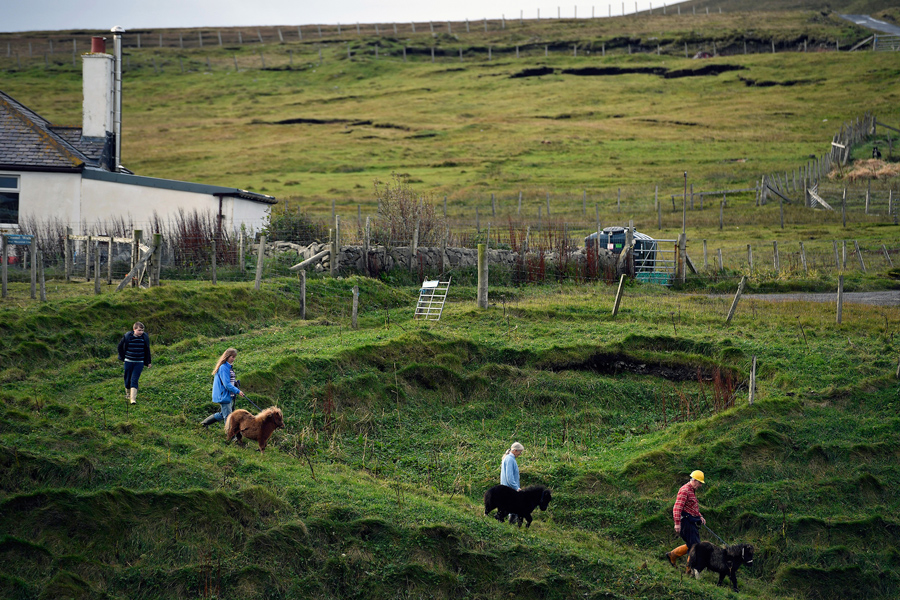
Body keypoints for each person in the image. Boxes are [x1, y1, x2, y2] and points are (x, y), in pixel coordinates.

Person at [666, 470, 706, 567]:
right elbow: (677, 507)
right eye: (700, 483)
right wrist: (677, 523)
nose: (700, 485)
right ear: (694, 480)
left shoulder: (691, 490)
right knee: (695, 546)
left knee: (692, 544)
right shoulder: (685, 490)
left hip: (691, 521)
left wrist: (700, 516)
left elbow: (691, 507)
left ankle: (672, 555)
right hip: (685, 522)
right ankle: (689, 569)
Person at [201, 348, 245, 428]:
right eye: (232, 357)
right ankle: (230, 434)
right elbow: (226, 384)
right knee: (228, 416)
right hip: (224, 394)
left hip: (229, 394)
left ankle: (205, 423)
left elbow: (229, 380)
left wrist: (235, 383)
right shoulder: (223, 367)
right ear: (227, 356)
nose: (233, 359)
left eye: (234, 357)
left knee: (223, 414)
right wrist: (238, 391)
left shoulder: (228, 367)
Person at [117, 321, 151, 405]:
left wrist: (148, 362)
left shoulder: (145, 337)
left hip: (139, 362)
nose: (141, 332)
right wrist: (123, 358)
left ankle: (133, 399)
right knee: (127, 378)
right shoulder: (127, 336)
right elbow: (120, 347)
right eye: (139, 330)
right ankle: (128, 394)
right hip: (128, 361)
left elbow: (147, 350)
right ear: (134, 329)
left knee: (134, 379)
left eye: (142, 330)